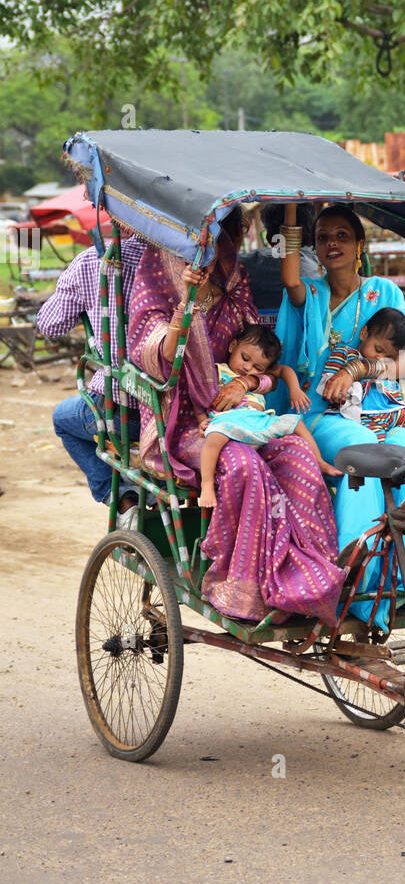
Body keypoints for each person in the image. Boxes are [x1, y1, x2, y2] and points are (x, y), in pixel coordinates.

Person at [128, 209, 345, 627]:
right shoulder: (157, 288)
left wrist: (248, 385)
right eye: (201, 241)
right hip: (188, 422)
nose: (212, 251)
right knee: (244, 467)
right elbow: (157, 363)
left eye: (220, 240)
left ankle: (309, 578)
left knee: (299, 455)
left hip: (246, 415)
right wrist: (183, 310)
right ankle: (248, 587)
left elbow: (263, 367)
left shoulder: (234, 286)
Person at [270, 203, 405, 623]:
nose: (332, 244)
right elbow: (290, 276)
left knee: (404, 452)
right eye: (323, 237)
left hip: (382, 410)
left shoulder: (385, 294)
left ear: (359, 245)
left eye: (342, 236)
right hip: (324, 415)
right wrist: (293, 209)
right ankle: (356, 577)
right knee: (363, 450)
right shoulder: (309, 294)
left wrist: (358, 368)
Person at [37, 228, 145, 528]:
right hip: (174, 410)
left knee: (62, 419)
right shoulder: (178, 260)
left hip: (119, 408)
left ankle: (122, 498)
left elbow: (51, 325)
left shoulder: (92, 260)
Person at [194, 321, 341, 508]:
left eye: (258, 368)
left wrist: (295, 389)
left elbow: (283, 370)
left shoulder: (260, 379)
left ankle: (319, 461)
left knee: (296, 423)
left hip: (259, 422)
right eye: (245, 358)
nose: (248, 369)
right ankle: (206, 484)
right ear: (233, 346)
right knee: (213, 439)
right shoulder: (218, 371)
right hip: (229, 421)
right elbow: (198, 398)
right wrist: (202, 420)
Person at [319, 307, 405, 451]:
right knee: (375, 447)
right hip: (364, 416)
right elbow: (329, 383)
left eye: (390, 357)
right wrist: (339, 393)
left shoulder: (389, 367)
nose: (381, 359)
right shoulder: (344, 354)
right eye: (378, 350)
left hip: (394, 412)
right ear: (364, 333)